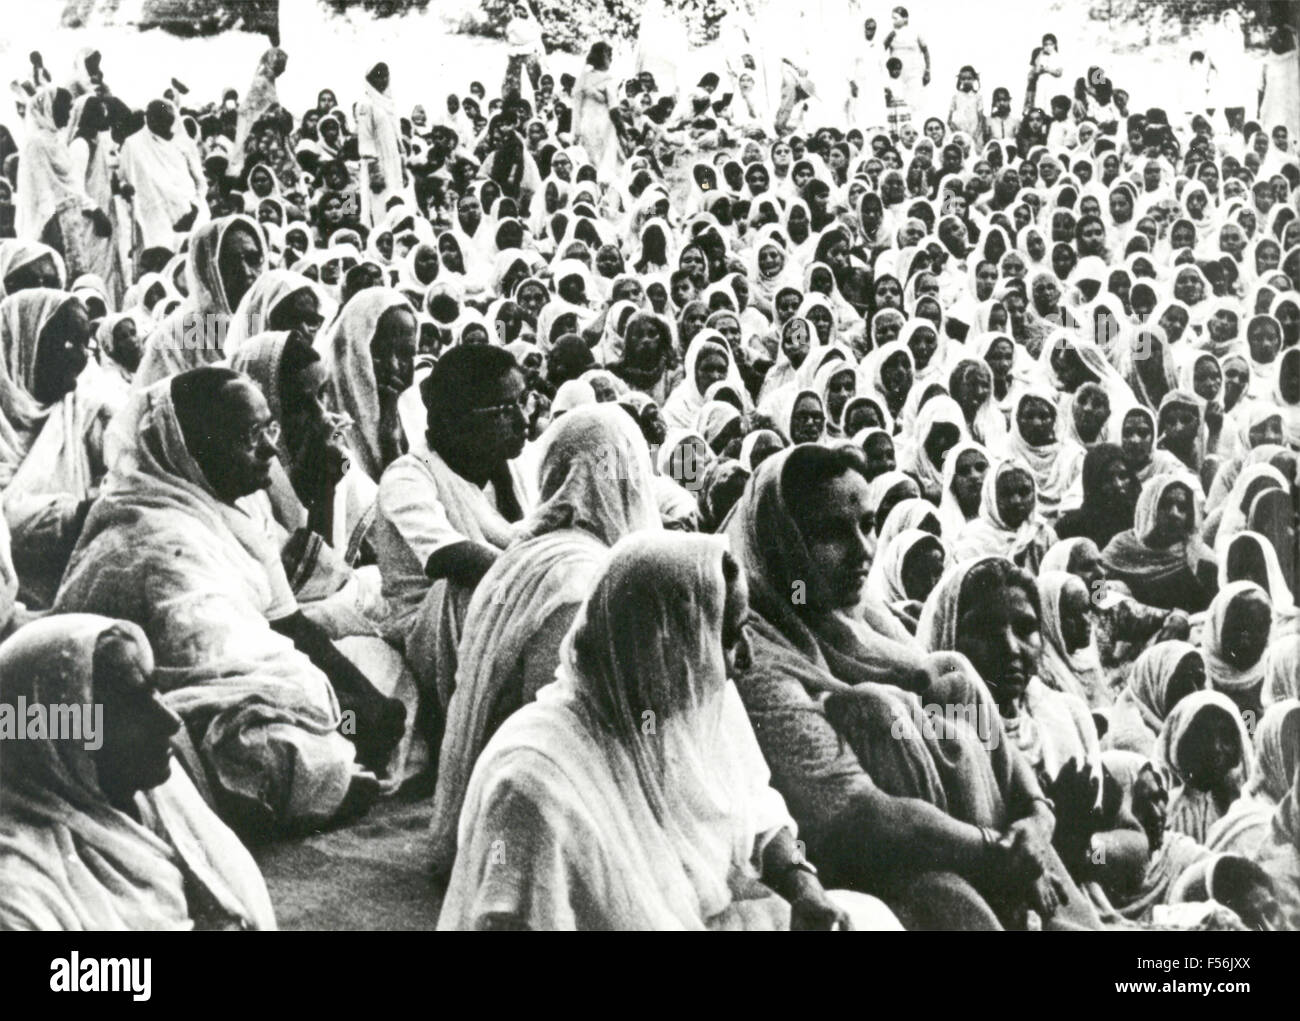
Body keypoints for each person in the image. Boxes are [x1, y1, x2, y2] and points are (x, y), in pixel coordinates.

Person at [438, 531, 901, 930]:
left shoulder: (685, 698)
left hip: (701, 916)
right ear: (668, 645)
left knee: (868, 917)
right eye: (730, 637)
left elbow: (759, 813)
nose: (747, 659)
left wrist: (805, 887)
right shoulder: (533, 783)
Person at [727, 444, 1093, 930]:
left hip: (984, 847)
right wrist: (996, 850)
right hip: (876, 873)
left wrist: (1035, 820)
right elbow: (855, 813)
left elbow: (980, 722)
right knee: (873, 708)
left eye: (867, 525)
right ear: (781, 543)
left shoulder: (858, 615)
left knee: (953, 676)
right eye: (830, 533)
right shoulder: (756, 654)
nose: (862, 550)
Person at [54, 370, 401, 835]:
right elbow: (217, 677)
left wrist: (365, 705)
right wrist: (342, 713)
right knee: (265, 747)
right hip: (162, 710)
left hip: (248, 677)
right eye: (249, 437)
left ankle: (332, 763)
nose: (271, 450)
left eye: (268, 430)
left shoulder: (235, 506)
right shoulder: (153, 541)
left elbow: (289, 623)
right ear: (188, 452)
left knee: (379, 664)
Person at [429, 403, 660, 873]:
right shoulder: (584, 578)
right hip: (534, 819)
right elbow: (554, 726)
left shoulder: (523, 554)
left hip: (497, 798)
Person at [0, 614, 276, 930]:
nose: (171, 720)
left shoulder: (153, 795)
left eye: (155, 691)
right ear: (61, 736)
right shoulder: (18, 893)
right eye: (131, 705)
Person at [373, 344, 530, 721]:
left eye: (524, 403)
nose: (524, 420)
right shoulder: (409, 475)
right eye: (505, 410)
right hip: (434, 637)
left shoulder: (513, 462)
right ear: (457, 420)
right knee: (461, 587)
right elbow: (451, 557)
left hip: (502, 609)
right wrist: (540, 579)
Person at [0, 289, 106, 608]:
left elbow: (126, 466)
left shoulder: (86, 413)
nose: (81, 357)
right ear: (23, 343)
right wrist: (73, 516)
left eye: (85, 343)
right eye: (66, 343)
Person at [1102, 474, 1217, 613]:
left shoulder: (1199, 558)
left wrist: (1184, 619)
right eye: (1166, 505)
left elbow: (1212, 613)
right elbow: (1096, 596)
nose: (1174, 514)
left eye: (1182, 507)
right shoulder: (1120, 547)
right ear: (1149, 507)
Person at [356, 63, 405, 225]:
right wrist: (375, 171)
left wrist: (402, 164)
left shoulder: (388, 102)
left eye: (385, 75)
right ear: (369, 79)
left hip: (392, 160)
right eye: (378, 75)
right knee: (377, 200)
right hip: (377, 163)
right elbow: (366, 138)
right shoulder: (365, 104)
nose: (383, 79)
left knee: (394, 198)